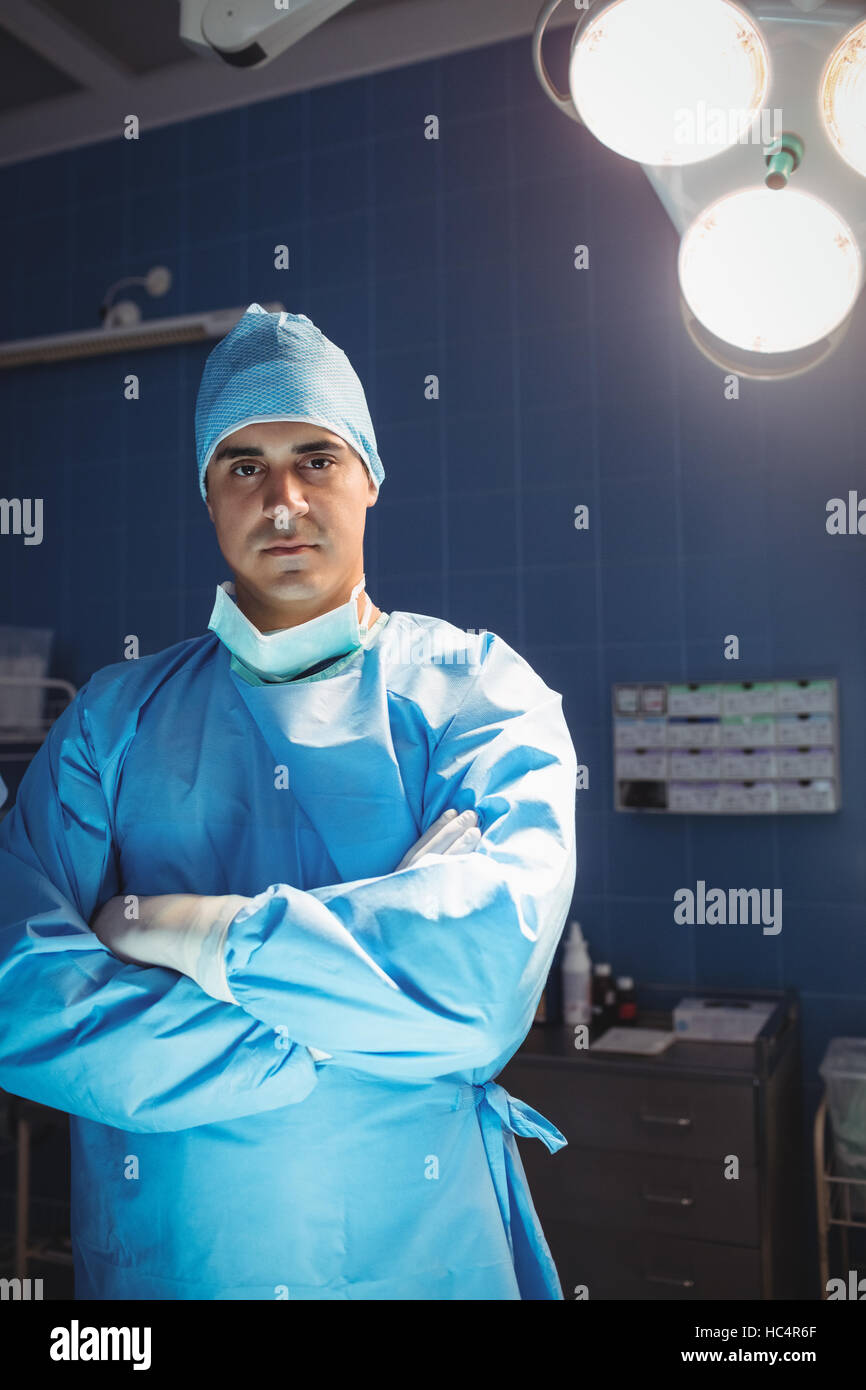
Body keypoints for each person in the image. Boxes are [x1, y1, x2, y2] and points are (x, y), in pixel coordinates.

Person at [0, 304, 577, 1300]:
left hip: (421, 1248)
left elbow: (475, 994)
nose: (280, 500)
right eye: (242, 466)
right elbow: (17, 992)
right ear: (207, 496)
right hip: (181, 1256)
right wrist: (354, 1014)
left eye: (315, 458)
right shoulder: (113, 723)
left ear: (369, 477)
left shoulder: (473, 692)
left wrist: (183, 929)